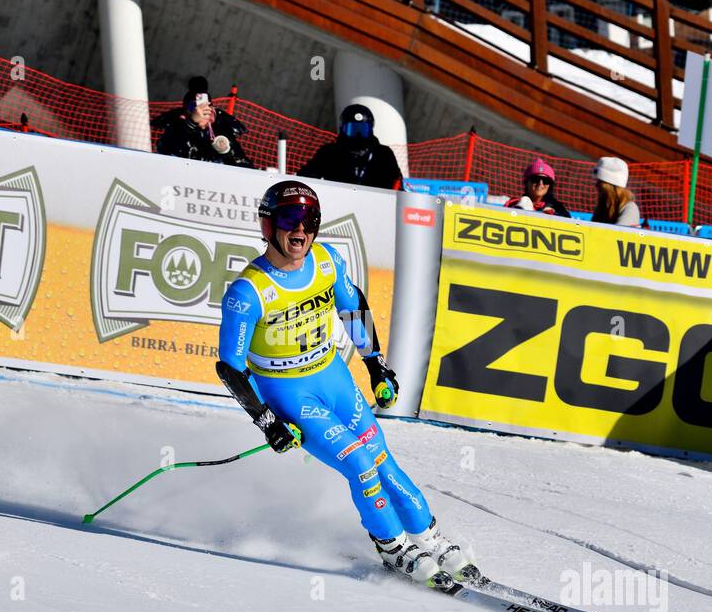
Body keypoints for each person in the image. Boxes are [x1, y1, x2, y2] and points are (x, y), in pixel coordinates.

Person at [216, 180, 470, 582]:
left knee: (382, 458)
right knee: (360, 464)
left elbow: (353, 310)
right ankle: (392, 547)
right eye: (289, 219)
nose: (300, 230)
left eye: (309, 220)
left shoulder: (328, 262)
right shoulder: (248, 292)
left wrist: (376, 365)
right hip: (289, 393)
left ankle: (430, 535)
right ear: (268, 225)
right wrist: (268, 423)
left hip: (333, 377)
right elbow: (229, 367)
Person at [297, 104, 403, 190]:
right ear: (342, 128)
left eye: (363, 130)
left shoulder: (383, 154)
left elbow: (397, 182)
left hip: (377, 205)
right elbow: (307, 175)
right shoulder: (330, 152)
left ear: (371, 129)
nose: (358, 135)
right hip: (339, 203)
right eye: (352, 130)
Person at [155, 76, 254, 168]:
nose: (200, 111)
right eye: (193, 107)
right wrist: (191, 123)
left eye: (204, 106)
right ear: (185, 112)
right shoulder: (178, 125)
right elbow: (165, 151)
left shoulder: (221, 126)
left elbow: (242, 164)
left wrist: (226, 150)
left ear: (211, 109)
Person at [504, 157, 571, 217]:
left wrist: (553, 217)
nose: (540, 184)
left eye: (545, 181)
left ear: (550, 186)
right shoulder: (513, 204)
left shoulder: (559, 209)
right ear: (527, 183)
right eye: (535, 179)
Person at [591, 156, 641, 226]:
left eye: (600, 183)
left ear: (611, 186)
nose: (596, 186)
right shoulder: (604, 206)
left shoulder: (630, 208)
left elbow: (619, 234)